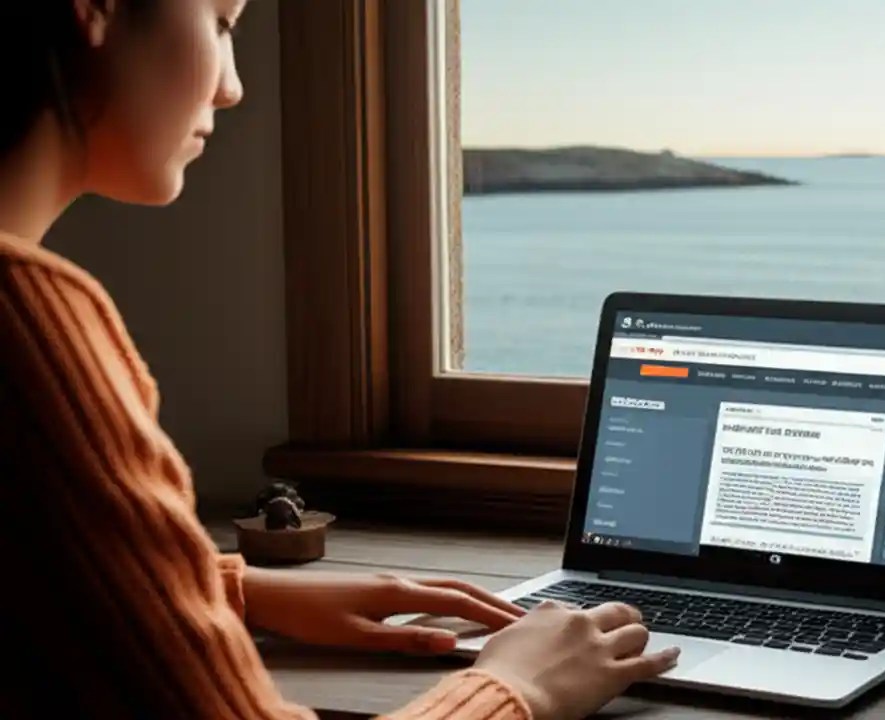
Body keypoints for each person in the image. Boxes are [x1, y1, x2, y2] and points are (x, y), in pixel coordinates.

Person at [0, 1, 679, 718]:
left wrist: (231, 592)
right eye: (222, 22)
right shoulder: (26, 325)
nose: (233, 88)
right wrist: (518, 689)